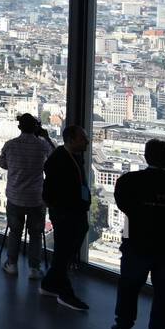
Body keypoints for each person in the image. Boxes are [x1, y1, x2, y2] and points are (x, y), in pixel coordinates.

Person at [111, 138, 165, 329]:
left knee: (129, 287)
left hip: (135, 242)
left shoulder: (129, 181)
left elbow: (122, 204)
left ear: (146, 157)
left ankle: (122, 328)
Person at [42, 125, 91, 311]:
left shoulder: (72, 157)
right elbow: (51, 190)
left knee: (64, 252)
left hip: (71, 212)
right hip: (66, 213)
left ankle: (49, 284)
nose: (87, 141)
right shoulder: (60, 160)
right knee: (64, 252)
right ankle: (65, 293)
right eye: (83, 138)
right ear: (71, 140)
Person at [0, 113, 53, 280]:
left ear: (19, 127)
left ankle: (12, 264)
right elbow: (56, 158)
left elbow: (3, 164)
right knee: (35, 234)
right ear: (36, 127)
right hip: (36, 198)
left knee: (15, 231)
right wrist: (46, 137)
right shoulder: (43, 146)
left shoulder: (10, 145)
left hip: (15, 197)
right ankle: (34, 269)